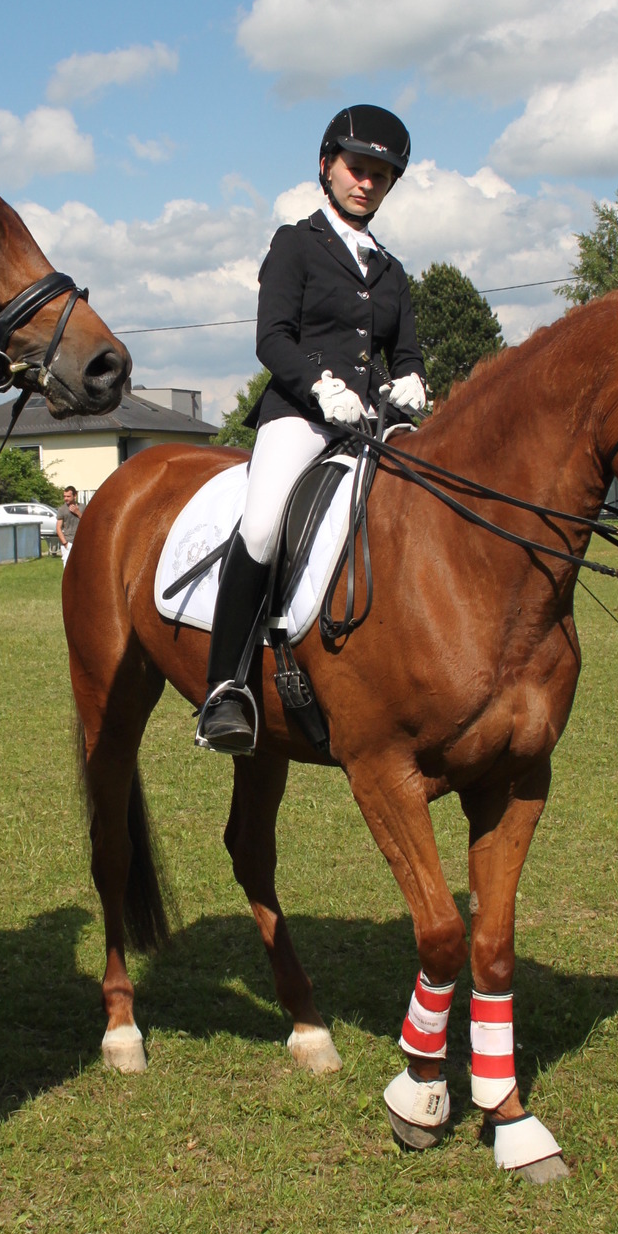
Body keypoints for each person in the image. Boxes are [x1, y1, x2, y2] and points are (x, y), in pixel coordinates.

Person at [195, 104, 427, 755]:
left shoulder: (391, 270)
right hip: (299, 414)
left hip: (373, 425)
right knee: (265, 523)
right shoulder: (295, 243)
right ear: (326, 166)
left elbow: (402, 352)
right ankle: (224, 690)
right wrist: (319, 386)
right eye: (357, 169)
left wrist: (411, 380)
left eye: (380, 176)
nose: (366, 184)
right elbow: (271, 338)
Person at [56, 484, 82, 565]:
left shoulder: (82, 507)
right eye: (64, 496)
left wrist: (78, 513)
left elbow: (88, 523)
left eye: (68, 496)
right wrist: (65, 543)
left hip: (81, 543)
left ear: (75, 496)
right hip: (69, 543)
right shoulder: (62, 509)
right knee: (68, 569)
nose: (66, 498)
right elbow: (58, 528)